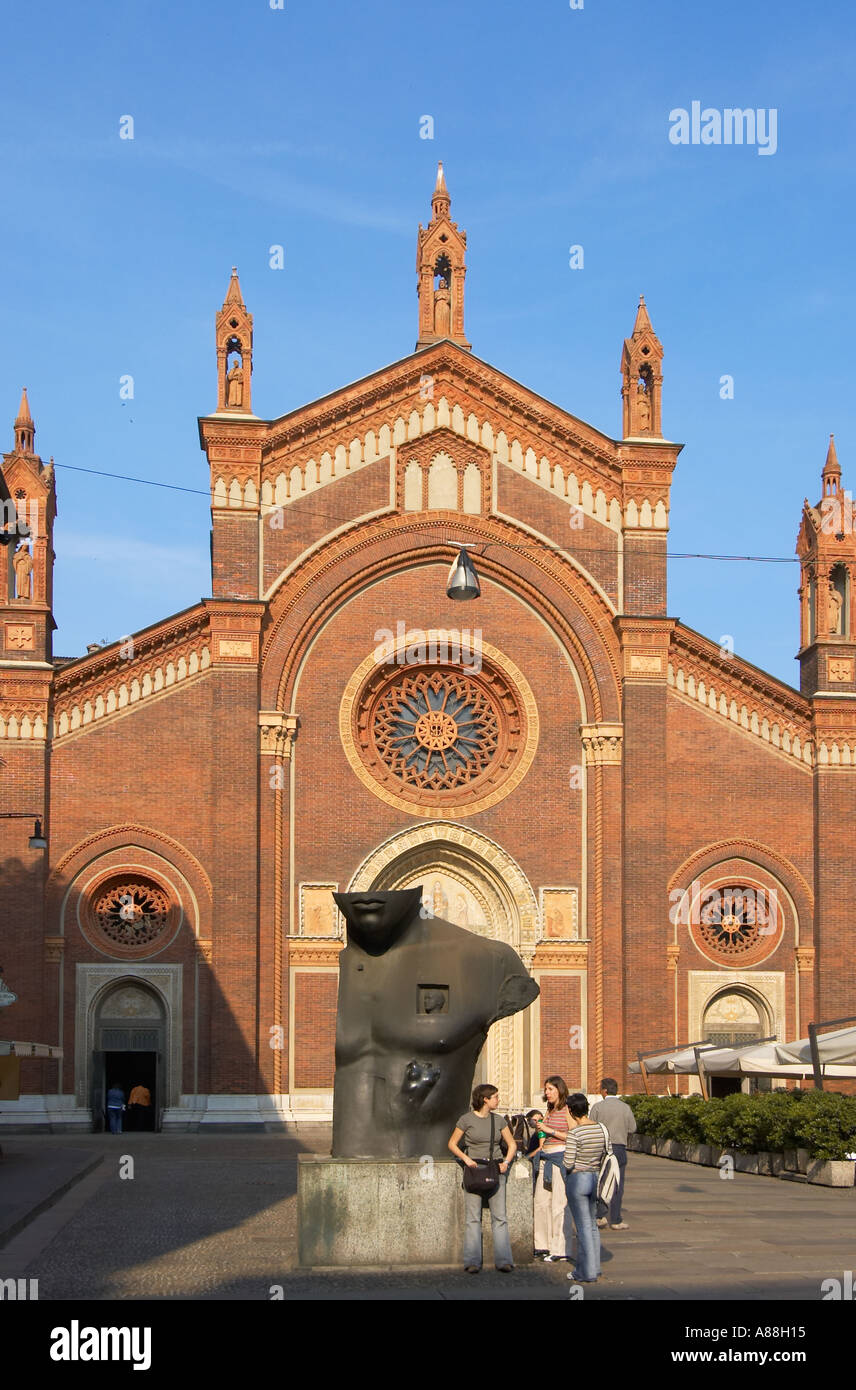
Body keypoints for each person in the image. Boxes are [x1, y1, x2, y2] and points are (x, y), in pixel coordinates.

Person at [448, 1083, 517, 1274]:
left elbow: (511, 1144)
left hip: (495, 1168)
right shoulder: (466, 1119)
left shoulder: (499, 1120)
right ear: (485, 1099)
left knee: (500, 1217)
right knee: (472, 1218)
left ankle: (504, 1260)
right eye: (495, 1096)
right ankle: (472, 1261)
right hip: (474, 1169)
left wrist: (506, 1162)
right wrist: (466, 1159)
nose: (498, 1099)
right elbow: (452, 1144)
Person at [563, 1092, 607, 1283]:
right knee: (592, 1225)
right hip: (595, 1177)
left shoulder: (575, 1133)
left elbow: (568, 1162)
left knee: (582, 1227)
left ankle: (585, 1272)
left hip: (578, 1178)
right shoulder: (601, 1128)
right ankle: (595, 1267)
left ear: (572, 1111)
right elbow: (607, 1150)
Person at [533, 1076, 574, 1262]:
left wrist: (550, 1131)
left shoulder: (567, 1110)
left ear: (559, 1089)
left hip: (560, 1158)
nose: (547, 1093)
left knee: (559, 1204)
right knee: (541, 1202)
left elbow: (573, 1136)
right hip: (545, 1157)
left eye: (550, 1089)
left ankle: (560, 1248)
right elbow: (545, 1133)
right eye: (546, 1089)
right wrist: (541, 1131)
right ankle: (542, 1244)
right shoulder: (549, 1110)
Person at [590, 1077, 636, 1230]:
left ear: (604, 1090)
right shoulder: (625, 1108)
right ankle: (615, 1220)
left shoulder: (597, 1107)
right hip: (619, 1148)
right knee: (617, 1184)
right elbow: (632, 1128)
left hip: (602, 1149)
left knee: (601, 1182)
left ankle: (600, 1215)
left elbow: (591, 1126)